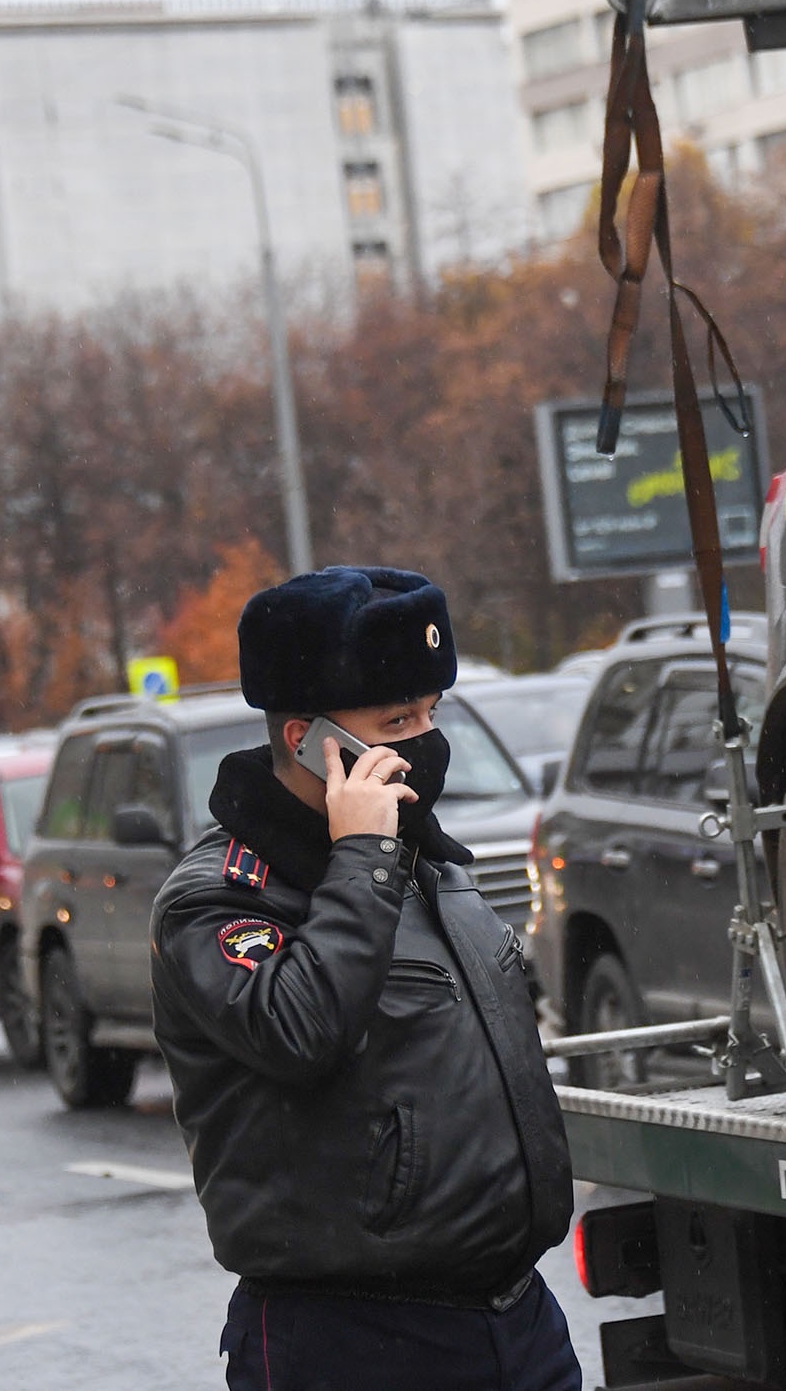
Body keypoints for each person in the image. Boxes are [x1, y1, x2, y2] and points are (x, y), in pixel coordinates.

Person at [151, 566, 578, 1391]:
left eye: (431, 712)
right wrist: (362, 858)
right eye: (397, 719)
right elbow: (299, 1030)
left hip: (515, 1321)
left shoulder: (423, 863)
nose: (424, 738)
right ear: (305, 738)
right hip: (351, 1339)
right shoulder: (218, 897)